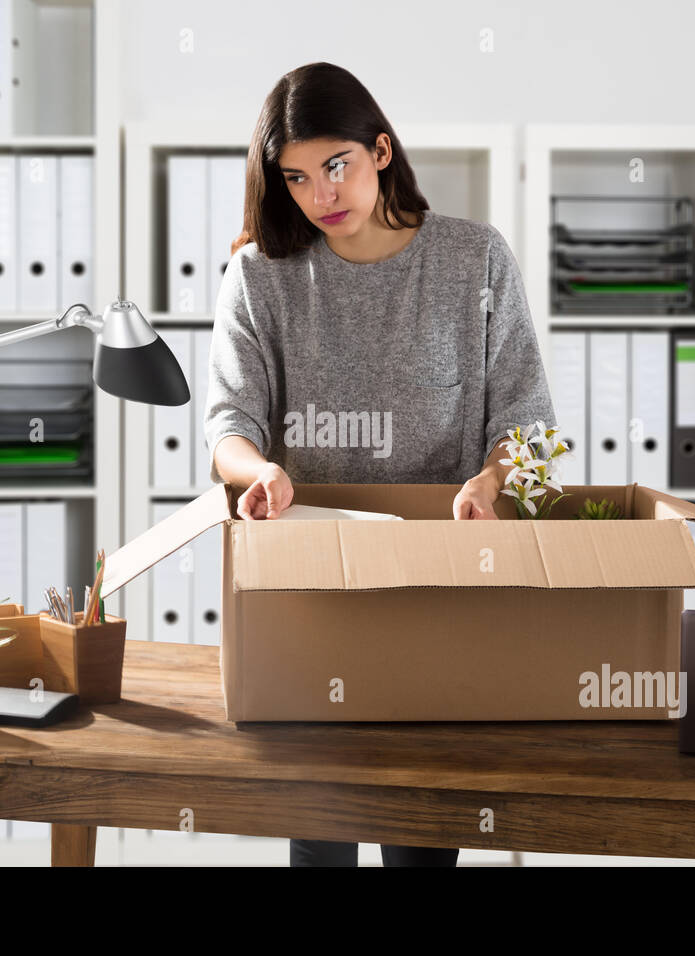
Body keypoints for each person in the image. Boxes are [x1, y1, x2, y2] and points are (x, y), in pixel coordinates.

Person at [202, 62, 557, 867]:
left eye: (337, 165)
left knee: (422, 842)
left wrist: (493, 479)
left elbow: (527, 417)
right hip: (313, 590)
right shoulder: (260, 275)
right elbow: (229, 422)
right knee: (319, 844)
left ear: (382, 150)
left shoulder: (473, 260)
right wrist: (256, 470)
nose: (321, 194)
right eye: (295, 177)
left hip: (441, 589)